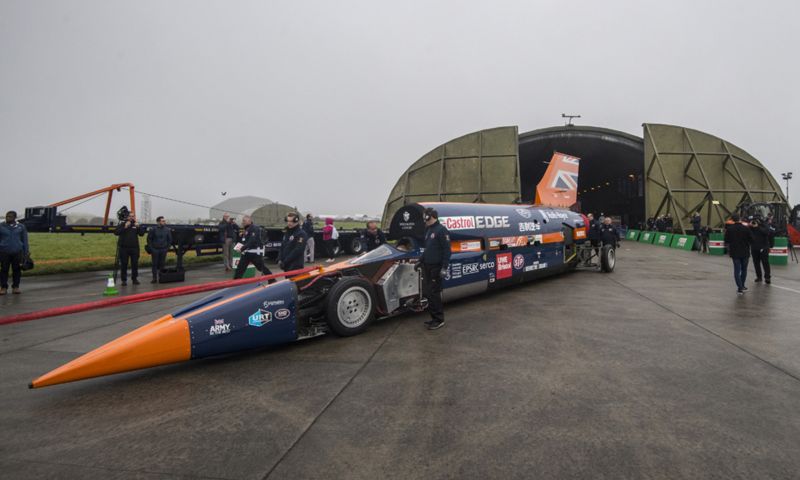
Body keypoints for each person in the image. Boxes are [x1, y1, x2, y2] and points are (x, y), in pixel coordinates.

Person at [416, 207, 451, 330]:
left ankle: (439, 319)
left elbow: (447, 250)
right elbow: (428, 249)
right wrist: (420, 260)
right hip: (427, 266)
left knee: (434, 293)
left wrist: (444, 268)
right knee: (429, 293)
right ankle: (433, 318)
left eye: (426, 217)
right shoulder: (428, 229)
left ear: (431, 216)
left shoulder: (441, 230)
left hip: (436, 267)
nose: (424, 220)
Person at [0, 210, 29, 295]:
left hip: (17, 252)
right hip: (4, 251)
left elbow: (24, 240)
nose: (8, 218)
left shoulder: (21, 227)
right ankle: (3, 287)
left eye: (10, 216)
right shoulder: (1, 226)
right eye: (7, 216)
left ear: (14, 218)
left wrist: (26, 252)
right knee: (4, 270)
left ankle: (16, 287)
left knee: (16, 270)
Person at [724, 214, 753, 295]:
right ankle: (742, 285)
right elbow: (751, 239)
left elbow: (726, 241)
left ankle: (740, 288)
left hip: (735, 252)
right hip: (745, 251)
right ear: (740, 219)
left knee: (737, 270)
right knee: (744, 270)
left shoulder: (730, 229)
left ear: (732, 220)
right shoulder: (746, 228)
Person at [114, 212, 145, 286]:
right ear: (127, 217)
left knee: (135, 264)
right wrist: (125, 227)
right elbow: (116, 232)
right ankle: (124, 280)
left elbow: (141, 234)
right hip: (124, 248)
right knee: (124, 264)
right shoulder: (122, 224)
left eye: (133, 216)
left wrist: (138, 227)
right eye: (130, 216)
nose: (132, 217)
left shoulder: (136, 224)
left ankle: (134, 279)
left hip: (134, 248)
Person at [146, 216, 172, 283]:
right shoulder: (153, 229)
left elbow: (170, 240)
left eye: (164, 221)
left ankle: (162, 277)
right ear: (158, 222)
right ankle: (154, 278)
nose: (164, 222)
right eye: (162, 221)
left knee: (162, 264)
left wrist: (167, 248)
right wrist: (152, 249)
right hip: (155, 250)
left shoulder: (167, 230)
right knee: (154, 264)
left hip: (163, 250)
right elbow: (149, 239)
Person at [749, 216, 773, 284]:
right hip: (754, 247)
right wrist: (750, 226)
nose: (755, 222)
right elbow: (748, 233)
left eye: (756, 220)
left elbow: (766, 232)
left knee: (765, 262)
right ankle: (759, 277)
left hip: (764, 247)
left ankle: (767, 277)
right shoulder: (751, 226)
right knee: (756, 263)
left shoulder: (764, 225)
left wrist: (758, 227)